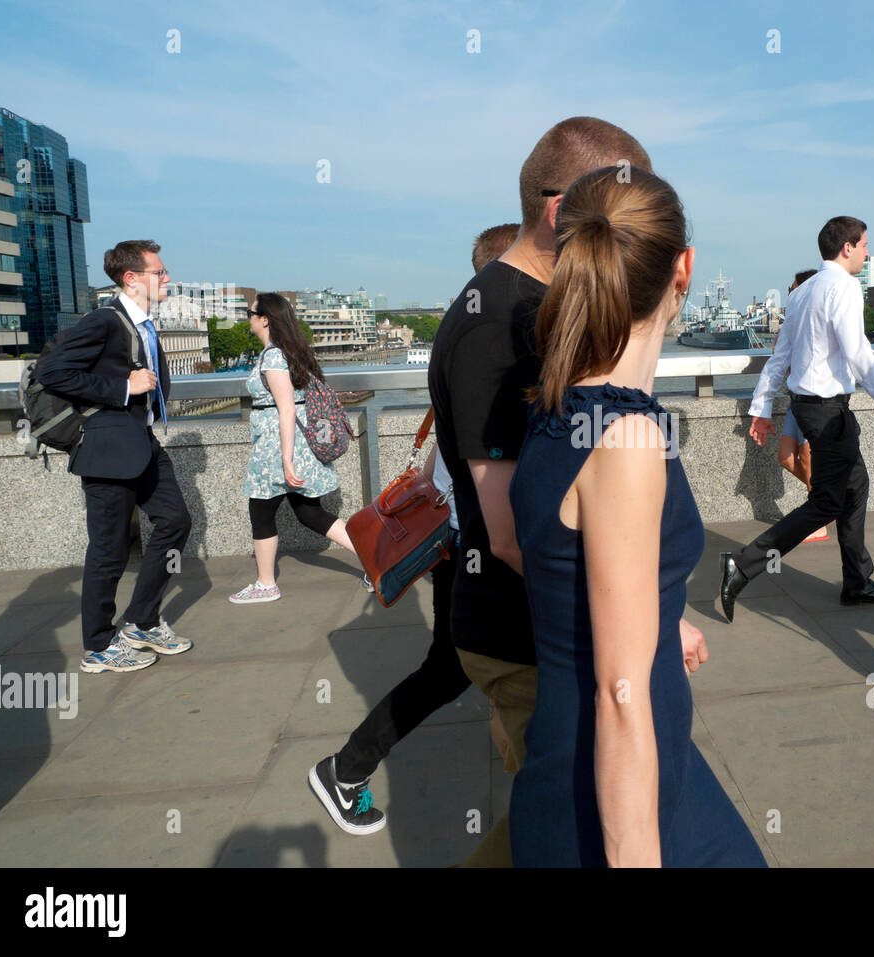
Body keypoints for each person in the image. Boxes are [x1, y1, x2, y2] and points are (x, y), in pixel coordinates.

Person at [510, 164, 763, 867]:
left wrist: (656, 611)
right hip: (615, 782)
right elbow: (620, 696)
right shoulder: (625, 438)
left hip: (610, 751)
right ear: (684, 268)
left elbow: (561, 556)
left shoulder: (558, 404)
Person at [428, 117, 655, 866]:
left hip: (525, 626)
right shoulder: (499, 323)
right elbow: (505, 527)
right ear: (562, 214)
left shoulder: (527, 308)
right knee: (571, 819)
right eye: (621, 211)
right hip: (518, 630)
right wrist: (629, 614)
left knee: (547, 811)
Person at [308, 231, 521, 835]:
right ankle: (346, 768)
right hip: (475, 540)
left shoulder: (461, 328)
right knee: (457, 666)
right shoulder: (492, 336)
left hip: (462, 537)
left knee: (459, 664)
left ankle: (350, 767)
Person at [717, 217, 874, 622]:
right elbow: (858, 354)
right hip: (828, 411)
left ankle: (858, 581)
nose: (868, 252)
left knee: (855, 485)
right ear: (846, 247)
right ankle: (743, 564)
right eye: (864, 245)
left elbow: (780, 357)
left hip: (809, 407)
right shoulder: (844, 287)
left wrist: (761, 409)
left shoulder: (802, 291)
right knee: (828, 500)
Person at [35, 240, 193, 673]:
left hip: (142, 443)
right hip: (107, 450)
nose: (167, 278)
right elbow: (50, 371)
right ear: (131, 278)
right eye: (158, 272)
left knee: (176, 520)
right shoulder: (105, 321)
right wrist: (124, 387)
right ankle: (99, 646)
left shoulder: (143, 323)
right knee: (108, 550)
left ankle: (141, 620)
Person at [229, 293, 370, 603]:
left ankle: (266, 584)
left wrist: (286, 461)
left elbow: (287, 409)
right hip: (296, 445)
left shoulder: (273, 356)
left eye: (250, 313)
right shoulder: (287, 352)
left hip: (277, 450)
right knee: (310, 513)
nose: (247, 318)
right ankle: (377, 560)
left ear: (265, 318)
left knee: (261, 511)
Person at [775, 268, 828, 542]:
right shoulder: (794, 319)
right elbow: (777, 353)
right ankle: (827, 502)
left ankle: (817, 518)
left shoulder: (815, 320)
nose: (790, 292)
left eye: (794, 288)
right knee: (785, 457)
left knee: (807, 459)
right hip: (795, 400)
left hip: (814, 400)